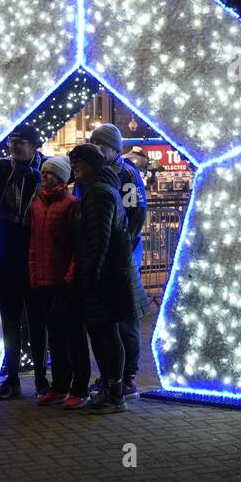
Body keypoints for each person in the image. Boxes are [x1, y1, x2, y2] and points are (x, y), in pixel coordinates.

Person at [68, 144, 143, 414]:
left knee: (107, 335)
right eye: (72, 162)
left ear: (93, 164)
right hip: (106, 273)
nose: (75, 166)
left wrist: (90, 274)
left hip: (103, 277)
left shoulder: (99, 193)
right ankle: (112, 388)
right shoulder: (99, 188)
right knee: (104, 335)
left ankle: (115, 391)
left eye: (79, 162)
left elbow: (99, 238)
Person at [0, 125, 45, 400]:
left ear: (34, 146)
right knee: (10, 320)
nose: (15, 147)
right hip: (7, 258)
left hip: (35, 260)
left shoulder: (48, 174)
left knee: (37, 320)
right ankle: (12, 378)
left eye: (21, 143)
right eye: (12, 141)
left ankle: (43, 378)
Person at [87, 124, 148, 398]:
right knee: (107, 315)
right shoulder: (95, 173)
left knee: (125, 313)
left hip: (123, 253)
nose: (98, 148)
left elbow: (136, 212)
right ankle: (111, 373)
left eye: (103, 144)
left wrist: (125, 244)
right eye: (95, 143)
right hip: (104, 251)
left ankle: (128, 375)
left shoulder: (126, 173)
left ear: (114, 147)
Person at [27, 156, 89, 407]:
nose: (46, 176)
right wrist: (33, 271)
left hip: (64, 280)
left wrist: (69, 277)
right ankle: (59, 384)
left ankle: (79, 387)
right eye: (44, 172)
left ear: (63, 178)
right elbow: (34, 241)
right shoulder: (38, 205)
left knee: (74, 334)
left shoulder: (71, 205)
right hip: (44, 279)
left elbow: (77, 246)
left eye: (51, 173)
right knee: (55, 335)